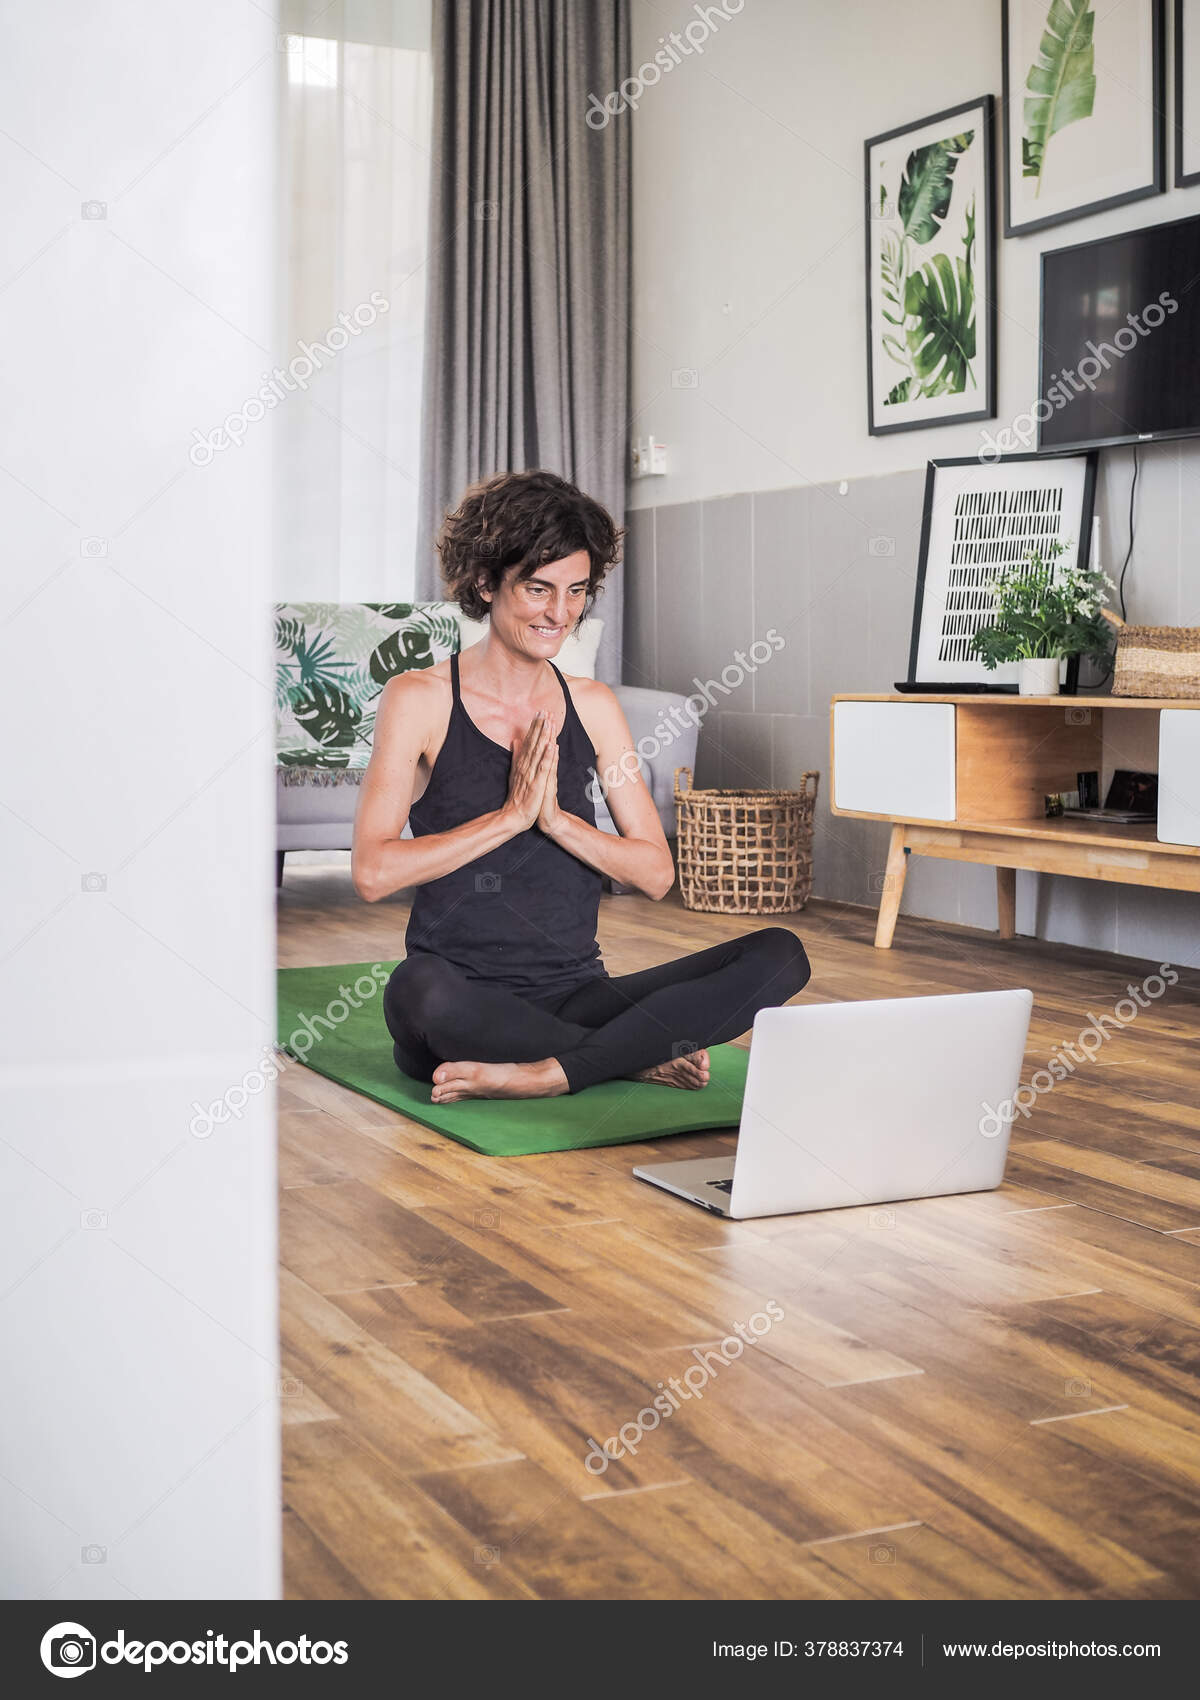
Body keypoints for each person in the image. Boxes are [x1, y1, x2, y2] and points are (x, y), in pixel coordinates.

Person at [352, 469, 811, 1103]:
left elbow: (654, 874)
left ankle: (551, 1070)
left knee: (782, 954)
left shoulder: (593, 706)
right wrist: (510, 818)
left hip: (580, 992)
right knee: (416, 990)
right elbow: (373, 872)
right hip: (460, 997)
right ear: (486, 583)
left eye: (576, 592)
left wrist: (558, 822)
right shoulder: (420, 699)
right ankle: (628, 1055)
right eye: (538, 589)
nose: (559, 614)